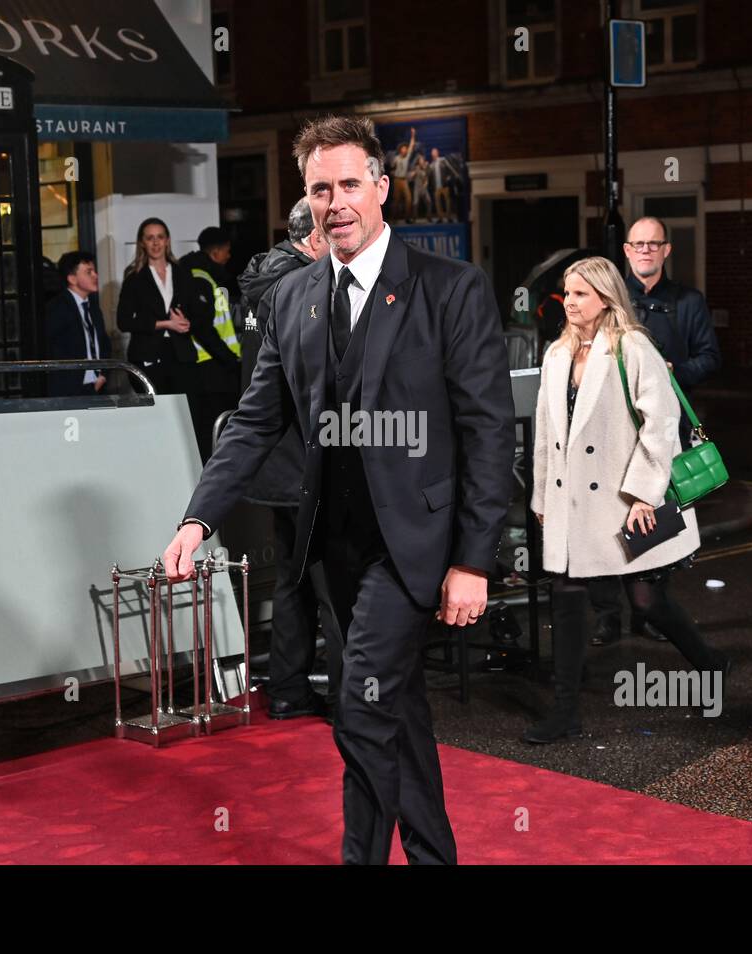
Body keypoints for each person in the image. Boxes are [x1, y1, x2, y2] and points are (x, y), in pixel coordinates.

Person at [162, 115, 515, 864]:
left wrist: (477, 560)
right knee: (399, 714)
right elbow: (253, 425)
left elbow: (488, 433)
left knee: (360, 707)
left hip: (415, 547)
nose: (336, 202)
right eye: (321, 189)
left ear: (381, 188)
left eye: (350, 184)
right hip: (336, 551)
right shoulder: (292, 301)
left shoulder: (449, 290)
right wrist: (198, 522)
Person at [524, 256, 729, 744]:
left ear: (606, 297)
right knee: (568, 595)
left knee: (646, 599)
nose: (569, 303)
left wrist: (644, 494)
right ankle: (566, 710)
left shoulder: (632, 347)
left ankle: (710, 664)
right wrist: (541, 493)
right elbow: (546, 433)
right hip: (573, 504)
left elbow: (661, 424)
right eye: (567, 294)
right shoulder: (556, 354)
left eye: (579, 294)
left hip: (625, 500)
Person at [589, 215, 721, 647]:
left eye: (654, 244)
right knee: (605, 524)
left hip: (664, 433)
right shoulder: (607, 297)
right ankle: (607, 616)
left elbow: (709, 358)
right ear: (626, 251)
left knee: (657, 523)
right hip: (610, 432)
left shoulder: (689, 301)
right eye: (637, 244)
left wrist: (672, 372)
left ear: (666, 250)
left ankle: (648, 611)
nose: (645, 250)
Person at [236, 198, 339, 719]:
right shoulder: (304, 289)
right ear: (315, 240)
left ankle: (287, 690)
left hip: (274, 462)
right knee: (335, 582)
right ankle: (353, 698)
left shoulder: (258, 282)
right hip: (307, 459)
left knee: (294, 579)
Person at [115, 217, 205, 397]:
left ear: (167, 240)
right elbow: (123, 322)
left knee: (185, 413)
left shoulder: (183, 273)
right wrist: (163, 324)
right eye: (150, 238)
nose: (155, 243)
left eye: (160, 237)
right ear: (142, 243)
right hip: (147, 355)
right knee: (156, 413)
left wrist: (186, 323)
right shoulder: (134, 278)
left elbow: (200, 314)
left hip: (182, 354)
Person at [181, 226, 244, 463]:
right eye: (226, 251)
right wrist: (229, 358)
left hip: (213, 364)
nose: (228, 256)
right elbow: (203, 328)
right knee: (212, 428)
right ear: (216, 252)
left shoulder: (204, 275)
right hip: (209, 367)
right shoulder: (200, 278)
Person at [45, 251, 111, 397]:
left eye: (94, 271)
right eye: (89, 272)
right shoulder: (57, 308)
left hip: (97, 385)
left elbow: (103, 342)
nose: (95, 275)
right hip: (70, 389)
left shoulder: (92, 306)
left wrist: (103, 375)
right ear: (72, 279)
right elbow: (53, 349)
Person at [388, 127, 416, 221]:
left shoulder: (407, 157)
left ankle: (407, 217)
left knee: (409, 199)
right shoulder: (396, 158)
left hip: (404, 180)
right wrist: (392, 171)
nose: (405, 150)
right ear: (400, 150)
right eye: (403, 149)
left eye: (406, 149)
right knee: (396, 200)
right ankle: (393, 218)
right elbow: (392, 167)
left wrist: (413, 135)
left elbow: (411, 145)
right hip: (397, 180)